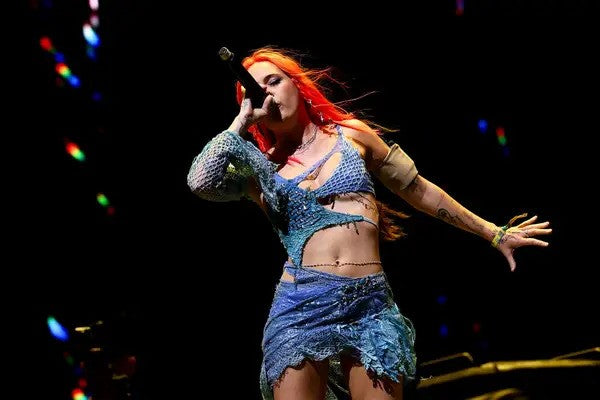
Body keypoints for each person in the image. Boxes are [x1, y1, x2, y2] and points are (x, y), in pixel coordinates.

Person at [186, 47, 551, 400]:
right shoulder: (260, 169)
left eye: (274, 81)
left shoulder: (351, 135)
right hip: (300, 307)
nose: (266, 93)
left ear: (296, 84)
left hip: (369, 304)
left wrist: (493, 232)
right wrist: (240, 123)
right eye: (253, 90)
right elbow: (201, 181)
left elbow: (418, 189)